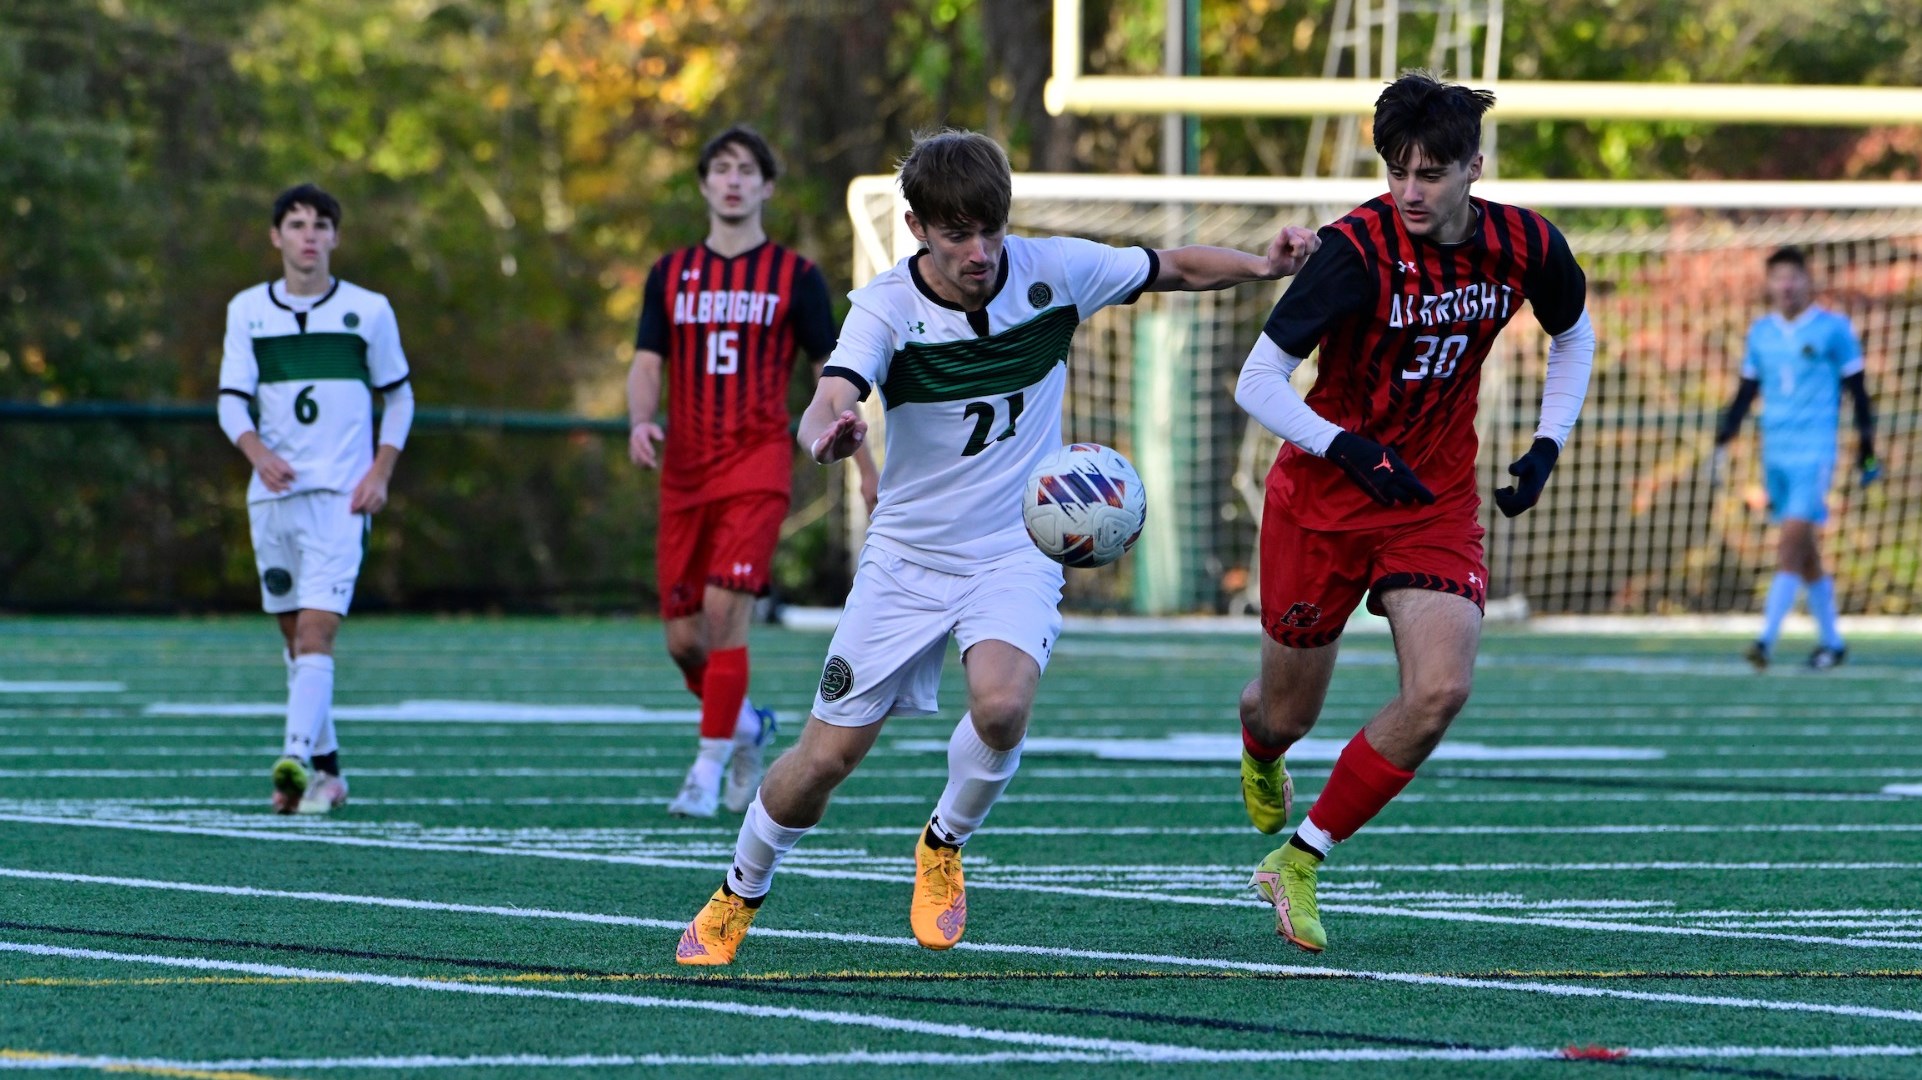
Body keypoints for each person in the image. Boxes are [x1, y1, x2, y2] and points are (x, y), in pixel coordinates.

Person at [674, 128, 1319, 966]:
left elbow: (1173, 266)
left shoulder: (1055, 270)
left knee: (1004, 706)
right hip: (905, 559)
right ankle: (739, 891)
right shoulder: (886, 308)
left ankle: (943, 844)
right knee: (825, 758)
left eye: (991, 229)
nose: (979, 252)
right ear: (916, 229)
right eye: (956, 234)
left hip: (1013, 550)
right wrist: (825, 435)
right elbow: (834, 389)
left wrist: (1263, 266)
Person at [1230, 72, 1595, 953]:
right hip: (1322, 499)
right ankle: (1261, 749)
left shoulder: (1524, 243)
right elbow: (1257, 381)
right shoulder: (1354, 251)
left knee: (1440, 689)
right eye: (1397, 171)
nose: (1410, 191)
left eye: (1430, 173)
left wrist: (1548, 442)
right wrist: (1348, 447)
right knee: (1286, 715)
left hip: (1430, 500)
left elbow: (1573, 332)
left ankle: (1302, 857)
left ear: (1475, 164)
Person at [629, 126, 879, 819]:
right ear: (705, 184)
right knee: (684, 640)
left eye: (747, 170)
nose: (733, 180)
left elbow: (834, 376)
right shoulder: (670, 273)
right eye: (721, 169)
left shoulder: (794, 277)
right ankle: (744, 729)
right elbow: (648, 360)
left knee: (723, 614)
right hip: (684, 471)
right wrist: (640, 419)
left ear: (768, 185)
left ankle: (706, 772)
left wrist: (864, 462)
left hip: (757, 464)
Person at [217, 183, 414, 815]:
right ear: (276, 236)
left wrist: (380, 472)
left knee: (316, 634)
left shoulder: (370, 310)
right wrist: (257, 453)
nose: (308, 234)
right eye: (296, 224)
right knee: (293, 642)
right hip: (273, 500)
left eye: (320, 224)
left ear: (335, 236)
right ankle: (330, 772)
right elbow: (229, 400)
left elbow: (400, 396)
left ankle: (294, 765)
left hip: (340, 501)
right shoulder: (248, 310)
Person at [1713, 246, 1878, 671]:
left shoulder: (1833, 329)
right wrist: (1725, 434)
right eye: (1778, 277)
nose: (1786, 285)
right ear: (1769, 283)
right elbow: (1747, 390)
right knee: (1805, 554)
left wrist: (1866, 449)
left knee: (1789, 543)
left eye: (1794, 276)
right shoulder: (1760, 333)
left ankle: (1764, 640)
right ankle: (1833, 643)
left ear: (1809, 280)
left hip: (1815, 452)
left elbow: (1858, 391)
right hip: (1776, 453)